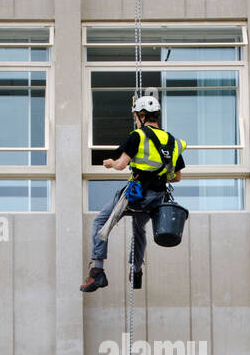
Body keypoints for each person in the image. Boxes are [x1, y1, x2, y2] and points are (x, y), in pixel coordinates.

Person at [80, 94, 186, 292]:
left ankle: (98, 271)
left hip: (134, 196)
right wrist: (158, 176)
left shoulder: (138, 136)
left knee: (101, 222)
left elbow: (121, 165)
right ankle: (136, 271)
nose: (135, 120)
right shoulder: (172, 141)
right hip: (155, 200)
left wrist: (110, 163)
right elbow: (177, 177)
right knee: (139, 229)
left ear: (142, 116)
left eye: (136, 117)